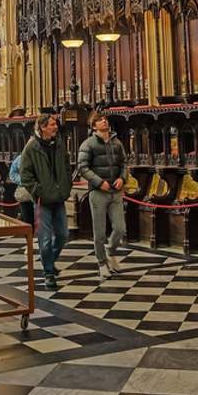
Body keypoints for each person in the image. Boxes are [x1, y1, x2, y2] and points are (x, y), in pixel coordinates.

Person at [20, 114, 71, 290]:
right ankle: (49, 273)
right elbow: (25, 174)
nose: (55, 126)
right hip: (43, 200)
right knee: (45, 239)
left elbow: (66, 164)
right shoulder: (31, 147)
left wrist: (66, 186)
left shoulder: (58, 144)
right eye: (51, 124)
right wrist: (37, 191)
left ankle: (48, 260)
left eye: (55, 124)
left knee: (63, 235)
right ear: (42, 127)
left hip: (59, 197)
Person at [77, 111, 127, 280]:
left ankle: (110, 250)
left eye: (105, 119)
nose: (104, 121)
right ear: (93, 126)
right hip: (98, 192)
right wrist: (99, 182)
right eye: (100, 120)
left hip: (116, 191)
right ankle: (101, 263)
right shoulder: (88, 144)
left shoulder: (116, 142)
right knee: (99, 232)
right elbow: (83, 168)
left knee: (120, 228)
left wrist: (122, 178)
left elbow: (124, 163)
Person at [8, 150, 35, 226]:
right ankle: (29, 235)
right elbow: (12, 174)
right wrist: (22, 181)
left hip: (38, 190)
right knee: (27, 216)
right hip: (25, 191)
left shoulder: (40, 158)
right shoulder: (20, 159)